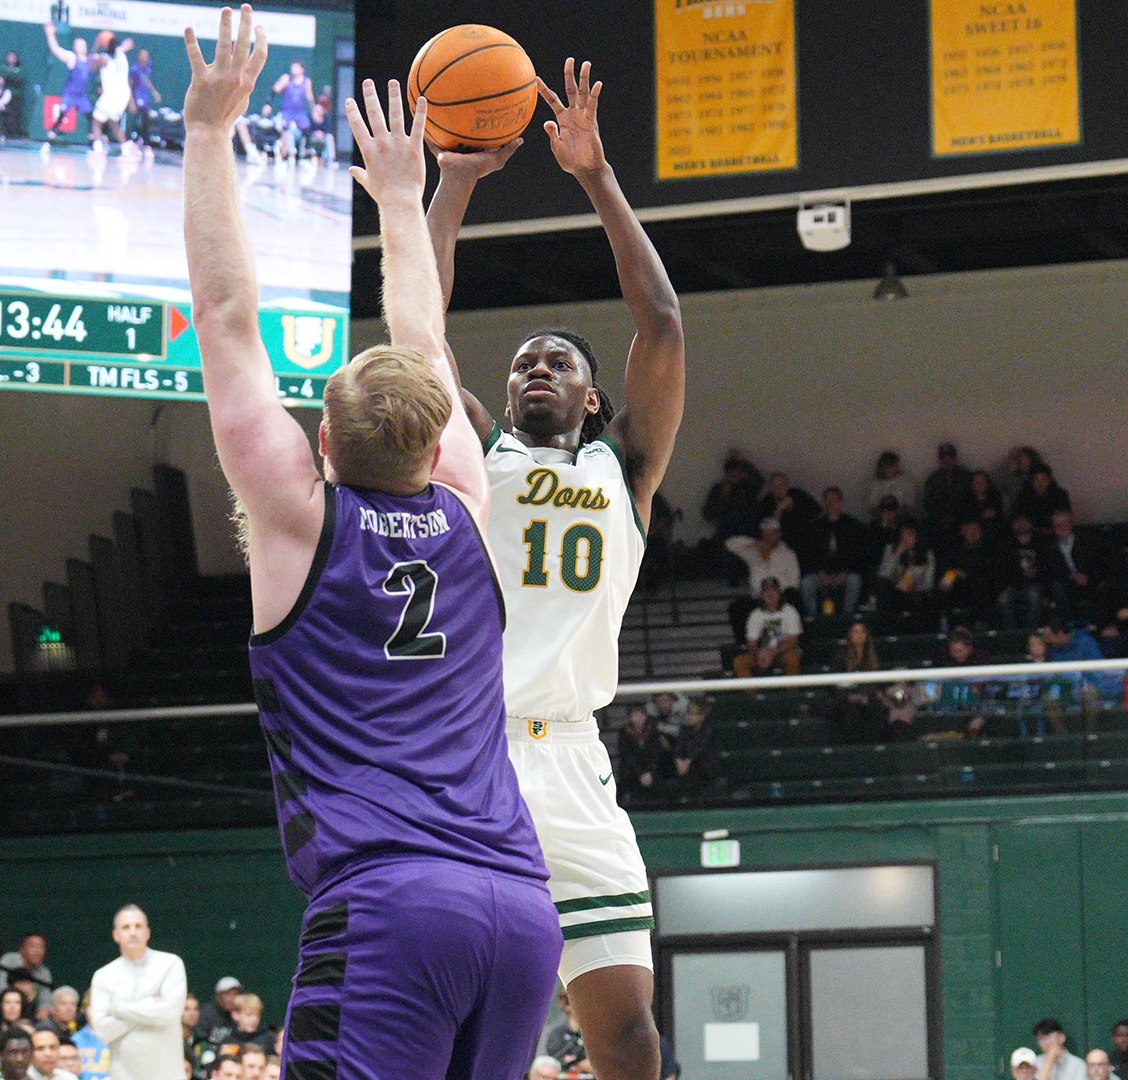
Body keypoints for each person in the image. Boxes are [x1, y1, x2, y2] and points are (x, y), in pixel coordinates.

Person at [186, 19, 562, 1078]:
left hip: (396, 906)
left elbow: (224, 315)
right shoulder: (468, 501)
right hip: (522, 912)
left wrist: (211, 135)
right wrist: (404, 198)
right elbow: (421, 339)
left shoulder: (300, 522)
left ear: (321, 444)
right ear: (442, 436)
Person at [427, 52, 685, 1080]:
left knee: (625, 1029)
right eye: (521, 358)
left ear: (591, 398)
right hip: (471, 756)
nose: (535, 364)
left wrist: (595, 175)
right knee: (450, 1021)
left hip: (572, 759)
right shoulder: (479, 458)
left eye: (559, 361)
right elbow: (420, 324)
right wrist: (455, 183)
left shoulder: (628, 473)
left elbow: (661, 322)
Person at [85, 906, 184, 1080]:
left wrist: (118, 1009)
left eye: (138, 926)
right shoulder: (103, 976)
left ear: (147, 933)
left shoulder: (170, 964)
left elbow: (170, 1014)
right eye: (126, 927)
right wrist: (149, 1008)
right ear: (116, 935)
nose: (133, 932)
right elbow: (102, 1031)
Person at [724, 519, 801, 642]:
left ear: (778, 534)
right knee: (736, 607)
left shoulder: (788, 554)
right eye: (765, 534)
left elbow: (794, 582)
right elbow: (730, 543)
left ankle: (796, 641)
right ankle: (744, 645)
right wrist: (754, 543)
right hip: (759, 600)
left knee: (793, 595)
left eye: (771, 533)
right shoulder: (752, 552)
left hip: (782, 599)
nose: (768, 537)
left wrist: (775, 597)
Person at [800, 489, 869, 617]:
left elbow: (858, 554)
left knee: (855, 580)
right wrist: (820, 573)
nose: (831, 503)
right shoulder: (815, 526)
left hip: (844, 574)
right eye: (828, 500)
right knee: (806, 583)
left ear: (841, 502)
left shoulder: (852, 525)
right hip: (821, 574)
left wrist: (844, 573)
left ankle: (847, 617)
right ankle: (813, 618)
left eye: (834, 500)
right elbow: (809, 554)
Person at [1000, 516, 1059, 630]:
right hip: (1015, 585)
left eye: (1026, 533)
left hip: (1035, 584)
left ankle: (1031, 631)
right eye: (1019, 533)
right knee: (1003, 600)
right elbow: (1004, 571)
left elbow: (1047, 571)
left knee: (1034, 596)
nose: (1023, 537)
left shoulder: (1040, 545)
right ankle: (1011, 632)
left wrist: (1037, 574)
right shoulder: (1008, 547)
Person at [735, 579, 802, 677]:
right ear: (761, 595)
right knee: (739, 662)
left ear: (779, 593)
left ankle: (792, 692)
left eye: (773, 590)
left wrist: (773, 653)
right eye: (766, 591)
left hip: (784, 652)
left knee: (792, 659)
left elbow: (793, 640)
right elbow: (751, 642)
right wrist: (759, 654)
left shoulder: (790, 611)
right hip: (761, 653)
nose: (770, 594)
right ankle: (752, 692)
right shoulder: (755, 614)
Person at [42, 25, 93, 140]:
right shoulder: (72, 57)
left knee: (91, 117)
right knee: (62, 114)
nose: (82, 47)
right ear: (75, 47)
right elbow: (56, 49)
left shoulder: (91, 60)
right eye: (79, 45)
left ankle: (94, 141)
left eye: (83, 45)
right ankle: (51, 136)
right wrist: (50, 34)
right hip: (70, 93)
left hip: (81, 95)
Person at [701, 453, 764, 541]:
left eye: (738, 472)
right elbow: (708, 515)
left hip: (749, 532)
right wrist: (722, 497)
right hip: (727, 533)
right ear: (727, 473)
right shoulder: (719, 489)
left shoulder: (747, 486)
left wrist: (744, 461)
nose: (735, 475)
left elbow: (760, 481)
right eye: (731, 473)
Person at [922, 443, 970, 539]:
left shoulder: (966, 476)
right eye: (944, 457)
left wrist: (957, 517)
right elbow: (928, 502)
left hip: (962, 518)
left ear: (955, 458)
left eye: (950, 457)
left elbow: (970, 499)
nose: (947, 460)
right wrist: (941, 518)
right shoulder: (933, 479)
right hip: (939, 521)